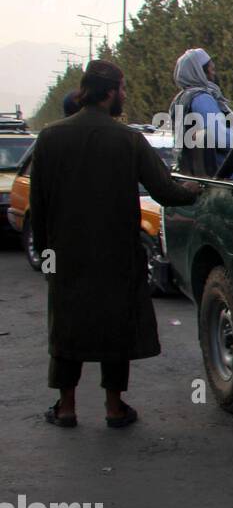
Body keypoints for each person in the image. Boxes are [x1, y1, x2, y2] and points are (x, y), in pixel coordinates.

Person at [28, 60, 201, 429]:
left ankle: (66, 407)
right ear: (108, 93)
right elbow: (166, 191)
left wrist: (47, 262)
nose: (124, 95)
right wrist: (195, 188)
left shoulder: (50, 138)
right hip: (116, 256)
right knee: (114, 328)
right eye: (122, 89)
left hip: (64, 255)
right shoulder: (128, 140)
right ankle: (113, 408)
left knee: (65, 326)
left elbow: (39, 206)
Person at [169, 48, 233, 178]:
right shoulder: (202, 99)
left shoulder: (180, 99)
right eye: (211, 69)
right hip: (226, 176)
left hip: (197, 176)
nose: (213, 73)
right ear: (199, 71)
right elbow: (223, 139)